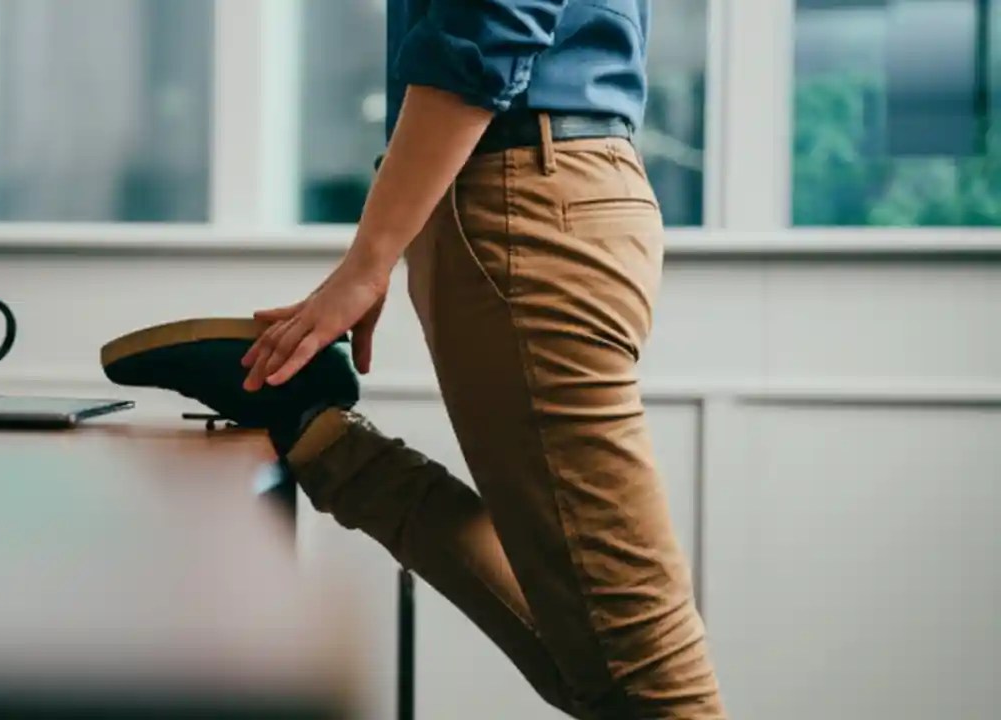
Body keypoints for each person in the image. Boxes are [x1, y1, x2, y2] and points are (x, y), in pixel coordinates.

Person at [241, 1, 726, 717]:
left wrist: (369, 259)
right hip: (540, 183)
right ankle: (317, 434)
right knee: (601, 665)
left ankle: (319, 435)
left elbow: (499, 12)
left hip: (526, 190)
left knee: (649, 684)